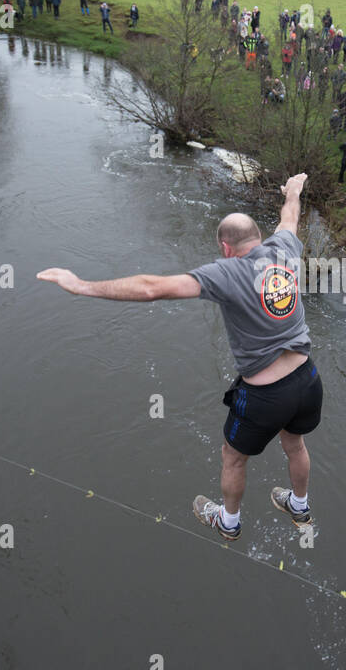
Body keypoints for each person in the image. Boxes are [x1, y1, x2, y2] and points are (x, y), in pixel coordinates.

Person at [36, 175, 321, 541]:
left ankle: (228, 522)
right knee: (295, 443)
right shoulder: (284, 248)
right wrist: (294, 190)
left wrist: (81, 286)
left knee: (233, 458)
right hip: (308, 379)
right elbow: (290, 216)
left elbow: (152, 288)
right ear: (259, 237)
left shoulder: (226, 272)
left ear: (225, 246)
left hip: (265, 396)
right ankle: (299, 504)